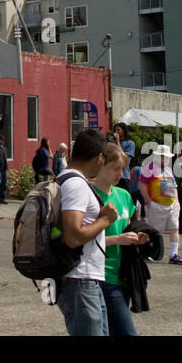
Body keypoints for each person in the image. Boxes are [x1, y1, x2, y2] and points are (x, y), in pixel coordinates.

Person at [57, 130, 121, 335]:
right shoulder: (76, 184)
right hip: (80, 278)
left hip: (84, 279)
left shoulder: (68, 179)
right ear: (99, 157)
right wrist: (105, 220)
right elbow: (73, 236)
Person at [94, 141, 145, 336]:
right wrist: (118, 239)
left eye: (122, 169)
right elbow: (83, 240)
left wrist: (140, 235)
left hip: (124, 274)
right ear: (100, 165)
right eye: (115, 168)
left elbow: (132, 225)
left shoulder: (123, 195)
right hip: (104, 275)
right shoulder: (90, 196)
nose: (120, 174)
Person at [139, 145, 182, 264]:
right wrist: (148, 200)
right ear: (159, 156)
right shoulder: (149, 168)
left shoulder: (168, 170)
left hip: (172, 205)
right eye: (165, 157)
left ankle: (174, 254)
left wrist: (177, 201)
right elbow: (142, 184)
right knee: (153, 231)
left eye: (168, 157)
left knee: (175, 228)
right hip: (156, 205)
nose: (167, 159)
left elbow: (174, 186)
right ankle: (146, 252)